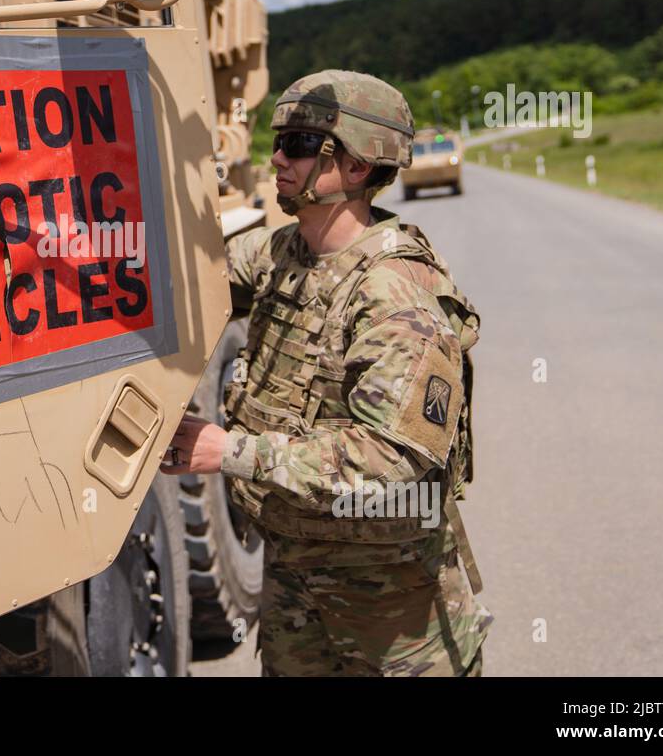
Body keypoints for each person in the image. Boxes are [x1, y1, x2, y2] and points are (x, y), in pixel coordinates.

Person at [163, 70, 492, 676]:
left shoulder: (394, 291)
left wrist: (230, 451)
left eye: (301, 146)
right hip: (295, 580)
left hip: (391, 610)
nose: (277, 158)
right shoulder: (284, 252)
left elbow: (394, 462)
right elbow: (191, 284)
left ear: (359, 167)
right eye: (279, 140)